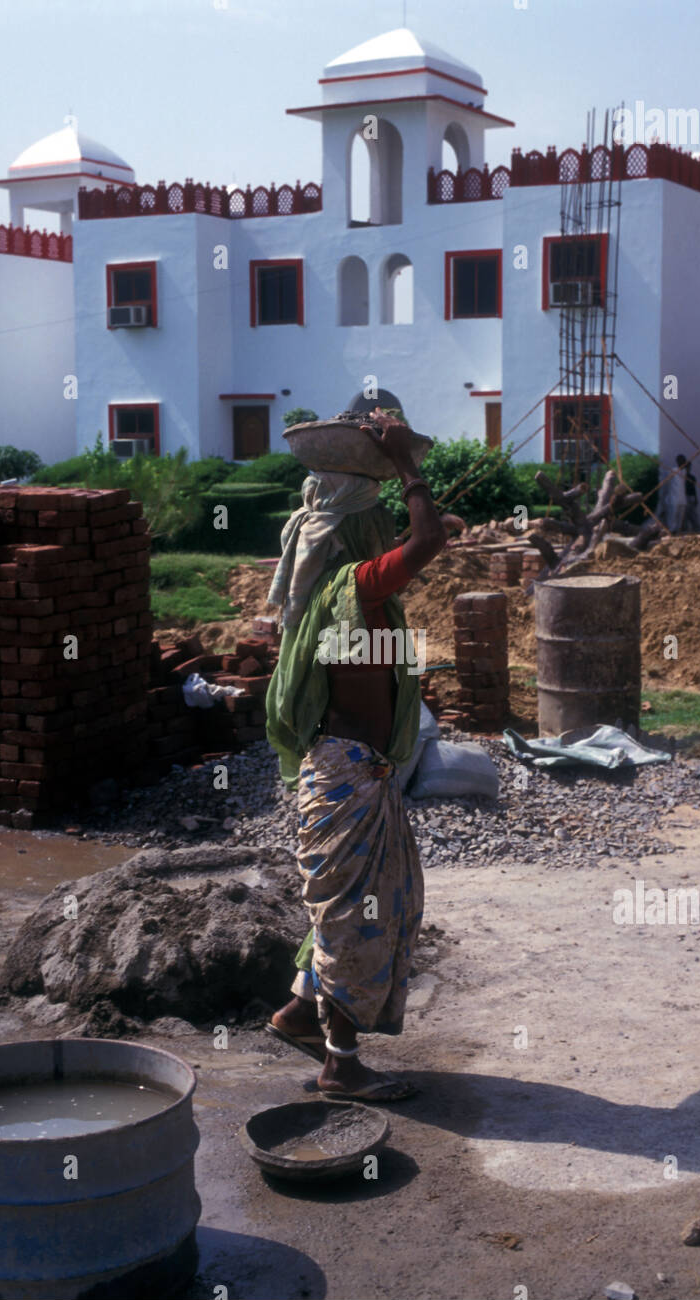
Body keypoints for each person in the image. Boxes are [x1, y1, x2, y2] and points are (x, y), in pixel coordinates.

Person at [264, 408, 448, 1101]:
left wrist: (426, 531)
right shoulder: (355, 586)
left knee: (346, 909)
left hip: (341, 770)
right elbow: (422, 539)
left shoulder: (335, 592)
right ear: (356, 527)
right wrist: (406, 465)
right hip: (351, 777)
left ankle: (297, 1015)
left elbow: (419, 543)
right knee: (354, 919)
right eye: (377, 521)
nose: (385, 533)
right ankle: (341, 1066)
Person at [682, 457, 700, 532]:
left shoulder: (692, 477)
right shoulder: (682, 477)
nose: (688, 469)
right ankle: (685, 530)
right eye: (687, 467)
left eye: (689, 467)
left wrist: (696, 498)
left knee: (693, 514)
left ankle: (697, 529)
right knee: (684, 515)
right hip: (684, 497)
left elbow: (694, 489)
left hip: (691, 497)